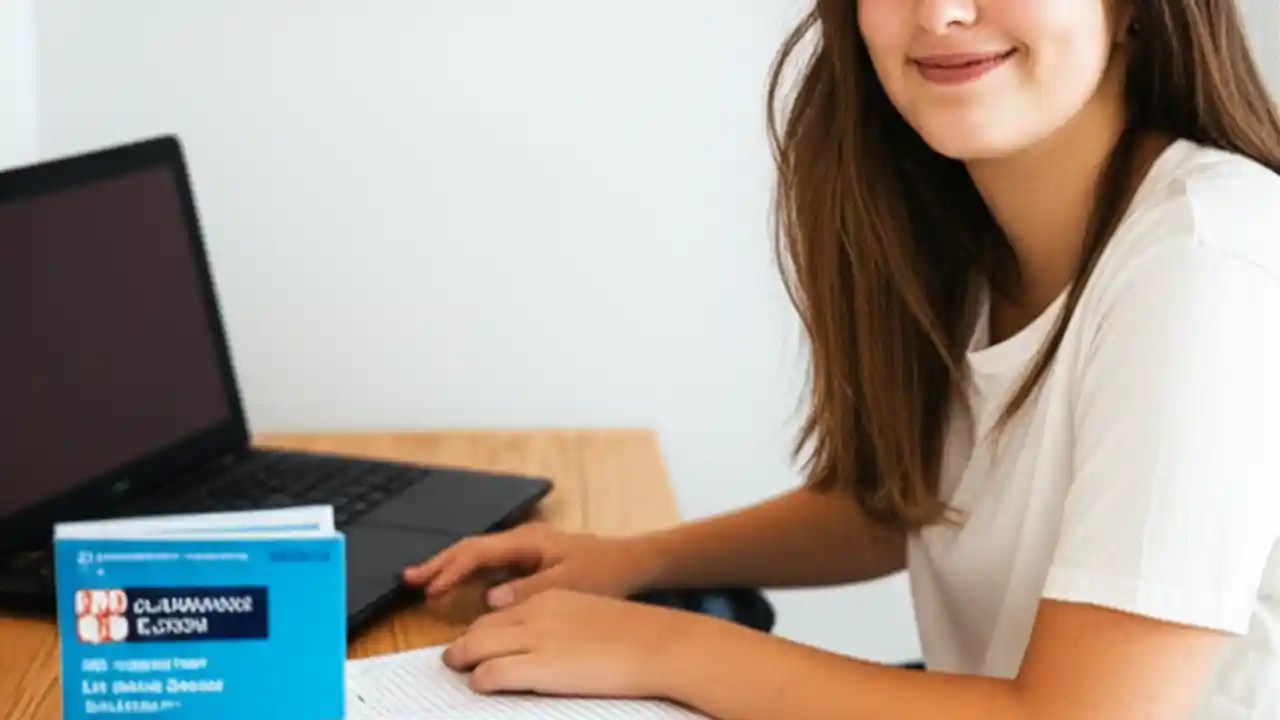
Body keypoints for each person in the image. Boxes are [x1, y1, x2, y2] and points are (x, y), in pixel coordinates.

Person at [403, 0, 1280, 717]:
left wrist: (658, 645)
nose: (940, 13)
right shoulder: (970, 223)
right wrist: (636, 560)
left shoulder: (1207, 262)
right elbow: (914, 504)